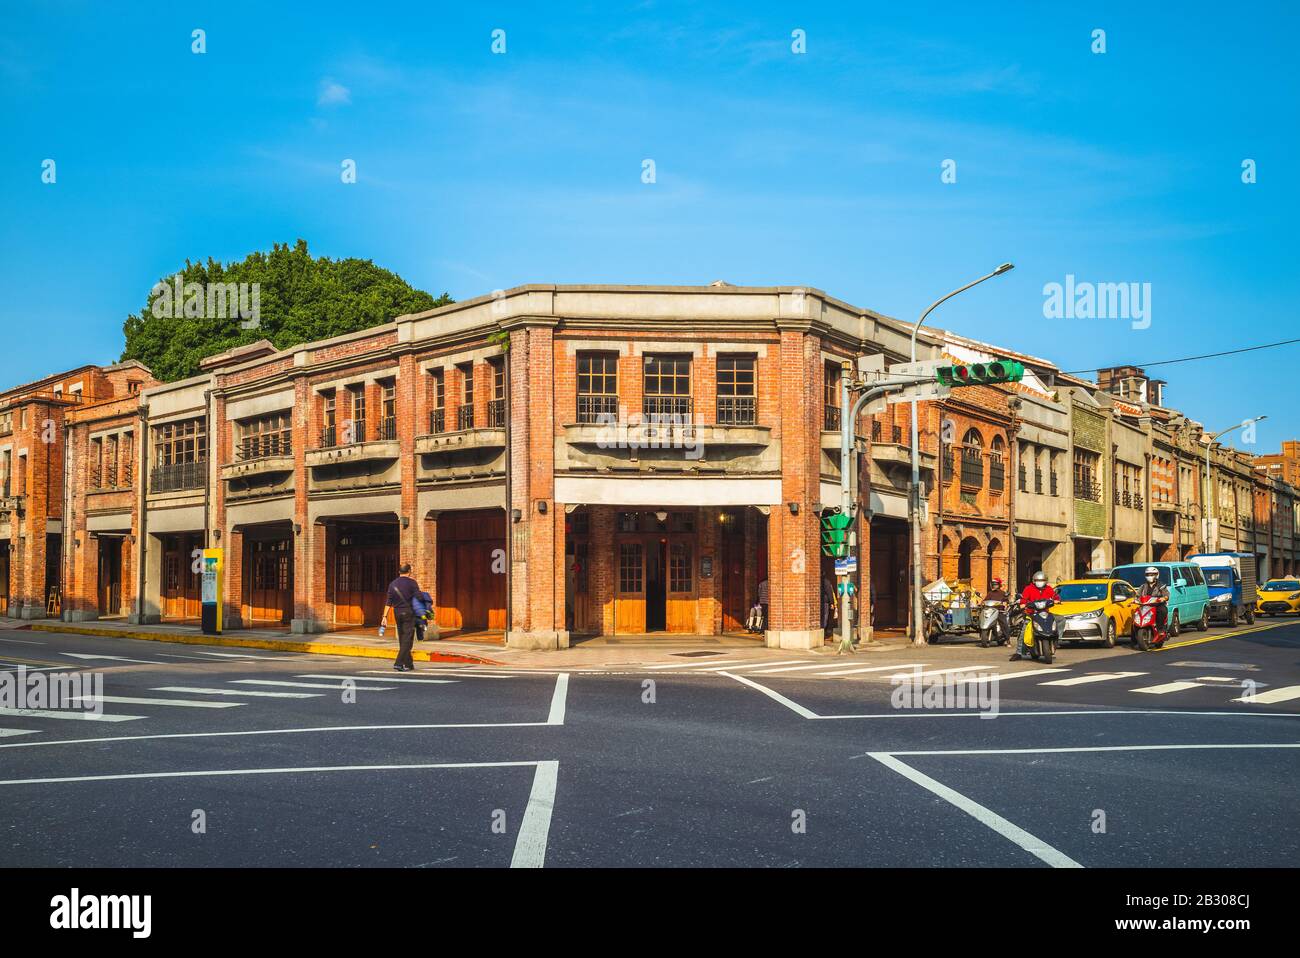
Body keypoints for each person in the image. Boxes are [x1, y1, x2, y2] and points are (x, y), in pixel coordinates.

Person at [380, 562, 421, 671]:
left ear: (399, 572)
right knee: (408, 639)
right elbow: (419, 597)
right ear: (409, 571)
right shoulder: (412, 583)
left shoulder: (392, 584)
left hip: (397, 613)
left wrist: (384, 616)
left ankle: (409, 664)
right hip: (409, 612)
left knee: (403, 638)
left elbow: (388, 602)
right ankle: (398, 662)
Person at [1013, 571, 1059, 661]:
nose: (1039, 582)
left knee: (1061, 621)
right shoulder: (1028, 588)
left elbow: (1055, 597)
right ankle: (1018, 652)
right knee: (1024, 631)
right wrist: (1024, 604)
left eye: (1042, 580)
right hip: (1031, 614)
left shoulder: (1049, 589)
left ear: (1046, 581)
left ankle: (1056, 639)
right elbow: (1023, 600)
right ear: (1034, 581)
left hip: (1045, 613)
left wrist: (1056, 600)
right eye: (1037, 580)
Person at [1137, 566, 1171, 644]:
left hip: (1157, 605)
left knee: (1162, 610)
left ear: (1156, 575)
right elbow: (1137, 595)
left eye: (1152, 574)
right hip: (1145, 606)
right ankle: (1134, 637)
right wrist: (1134, 599)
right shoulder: (1143, 586)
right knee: (1136, 613)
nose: (1150, 576)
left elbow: (1166, 594)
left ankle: (1160, 629)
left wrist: (1164, 598)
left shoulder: (1161, 585)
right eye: (1148, 574)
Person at [986, 576, 1011, 642]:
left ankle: (1007, 639)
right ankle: (985, 635)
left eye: (996, 584)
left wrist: (1005, 603)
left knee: (1004, 624)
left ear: (999, 585)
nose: (994, 586)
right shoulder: (990, 593)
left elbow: (1006, 601)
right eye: (993, 584)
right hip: (991, 611)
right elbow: (985, 600)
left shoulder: (1002, 593)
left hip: (1000, 611)